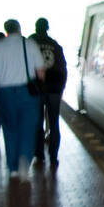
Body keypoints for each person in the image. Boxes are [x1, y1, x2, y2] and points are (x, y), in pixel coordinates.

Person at [0, 19, 46, 181]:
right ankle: (24, 161)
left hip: (5, 93)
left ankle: (12, 168)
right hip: (27, 92)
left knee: (10, 129)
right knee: (28, 128)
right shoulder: (30, 45)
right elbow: (41, 72)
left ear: (6, 30)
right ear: (19, 29)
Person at [30, 17, 69, 167]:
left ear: (36, 27)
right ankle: (53, 155)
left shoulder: (31, 42)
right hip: (55, 87)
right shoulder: (55, 45)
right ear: (47, 28)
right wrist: (61, 87)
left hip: (38, 87)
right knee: (54, 122)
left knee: (37, 121)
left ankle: (39, 152)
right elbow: (63, 68)